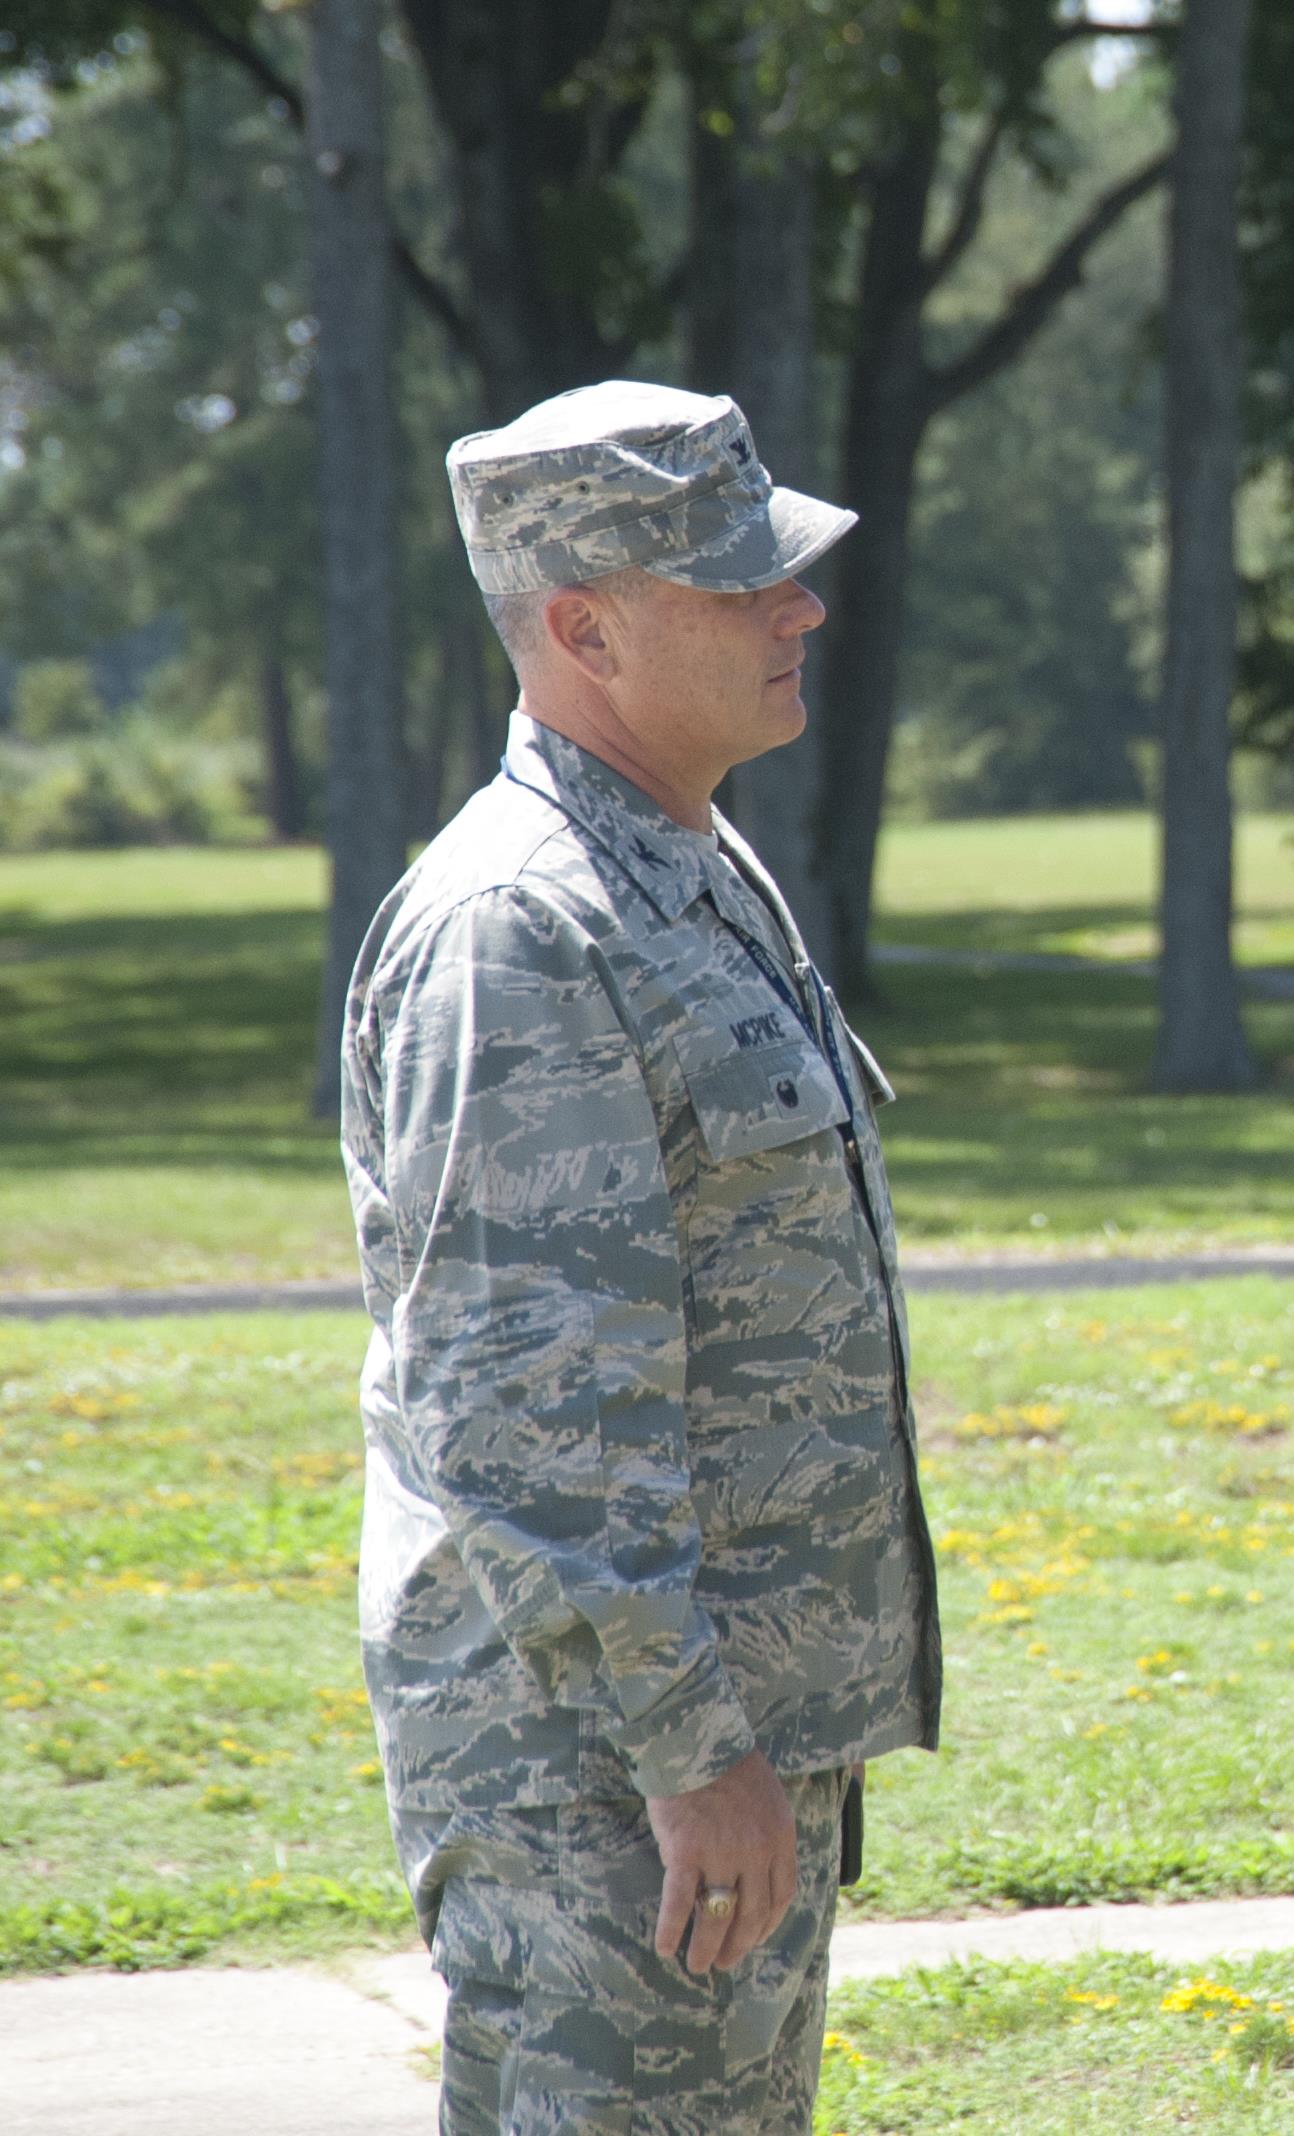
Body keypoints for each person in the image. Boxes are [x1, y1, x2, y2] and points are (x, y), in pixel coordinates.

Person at [340, 379, 940, 2134]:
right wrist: (694, 1757)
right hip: (602, 1784)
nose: (802, 607)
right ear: (583, 626)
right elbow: (523, 1419)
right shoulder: (520, 927)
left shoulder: (680, 857)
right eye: (741, 583)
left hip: (705, 1755)